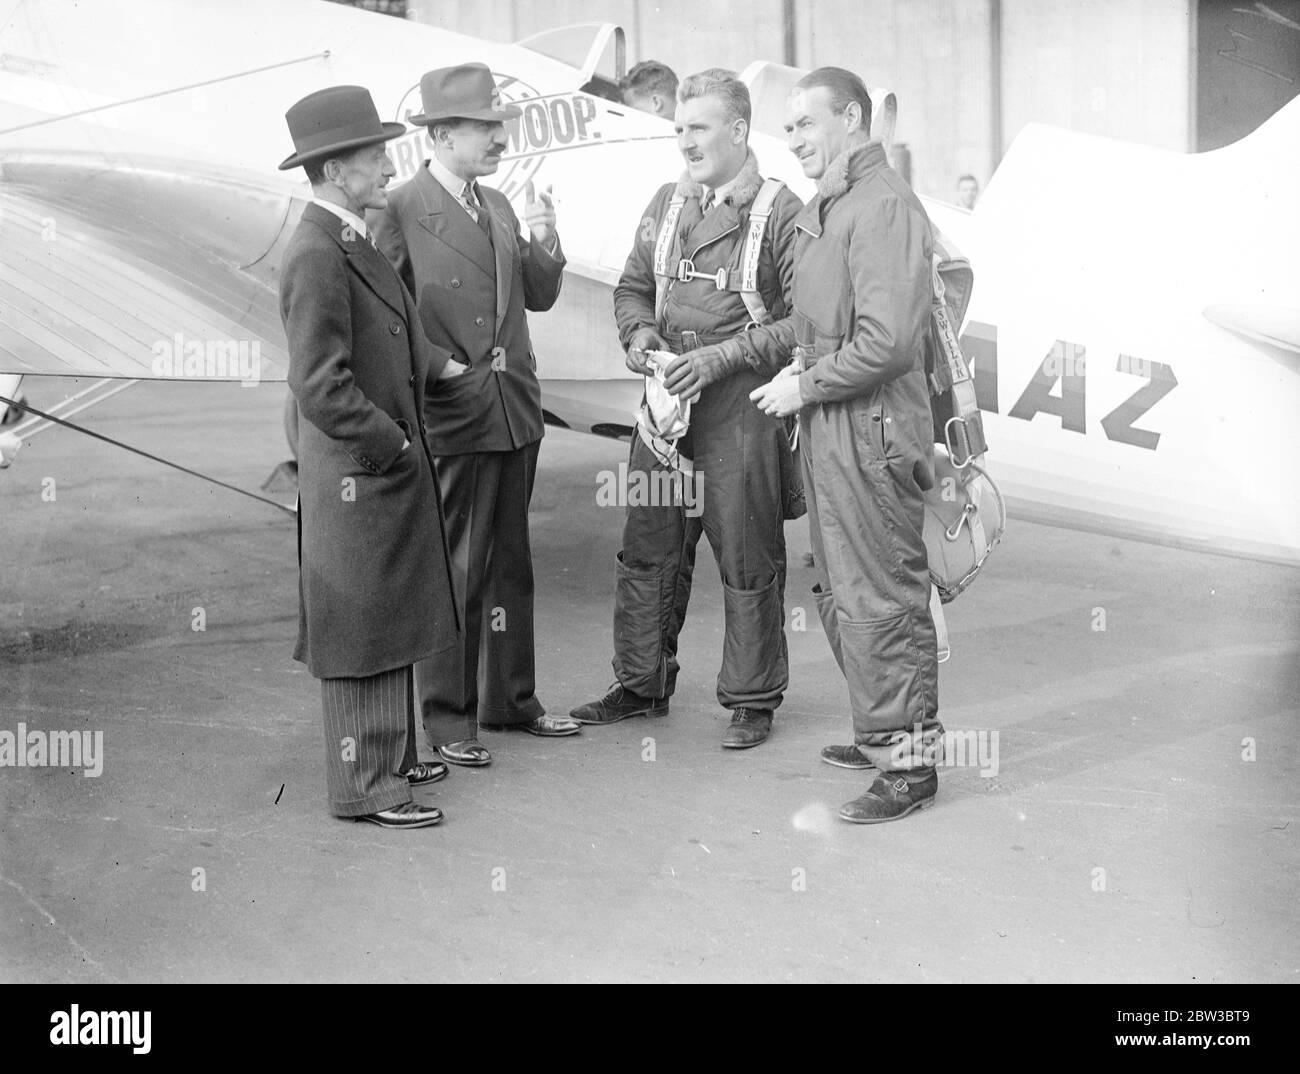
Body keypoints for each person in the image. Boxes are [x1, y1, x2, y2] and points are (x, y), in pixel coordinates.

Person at [569, 69, 803, 750]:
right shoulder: (668, 202)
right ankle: (640, 684)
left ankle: (753, 701)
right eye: (678, 128)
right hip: (668, 408)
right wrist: (639, 336)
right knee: (648, 544)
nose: (685, 143)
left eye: (697, 128)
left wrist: (722, 359)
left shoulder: (784, 212)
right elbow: (633, 287)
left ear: (738, 130)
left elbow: (807, 324)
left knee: (747, 549)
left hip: (743, 408)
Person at [750, 66, 944, 823]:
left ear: (853, 118)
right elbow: (823, 323)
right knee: (838, 589)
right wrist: (800, 362)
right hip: (836, 426)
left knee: (882, 598)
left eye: (805, 123)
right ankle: (880, 734)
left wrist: (805, 384)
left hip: (872, 432)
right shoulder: (833, 205)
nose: (792, 138)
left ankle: (910, 767)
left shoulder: (882, 206)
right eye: (788, 126)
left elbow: (889, 342)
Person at [374, 63, 581, 769]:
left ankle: (511, 699)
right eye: (484, 128)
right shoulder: (398, 209)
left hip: (514, 406)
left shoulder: (495, 203)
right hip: (456, 411)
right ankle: (447, 715)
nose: (499, 139)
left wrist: (547, 239)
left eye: (499, 127)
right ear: (440, 133)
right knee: (459, 568)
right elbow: (385, 318)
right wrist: (444, 370)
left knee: (511, 564)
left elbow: (538, 296)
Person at [277, 85, 459, 830]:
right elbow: (320, 385)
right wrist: (393, 445)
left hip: (377, 473)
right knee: (360, 626)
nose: (388, 162)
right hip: (363, 471)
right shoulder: (317, 251)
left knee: (388, 615)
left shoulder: (347, 236)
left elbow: (399, 343)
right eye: (373, 152)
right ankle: (366, 785)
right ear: (333, 168)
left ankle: (394, 755)